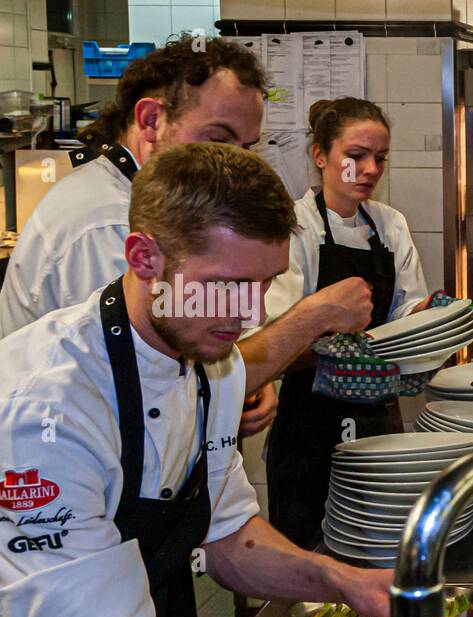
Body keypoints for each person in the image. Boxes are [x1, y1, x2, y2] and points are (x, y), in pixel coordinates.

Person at [0, 143, 468, 617]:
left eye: (265, 285)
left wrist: (339, 580)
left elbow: (226, 538)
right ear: (143, 256)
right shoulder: (48, 408)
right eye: (226, 286)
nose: (246, 315)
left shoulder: (207, 365)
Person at [0, 38, 374, 437]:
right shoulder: (105, 226)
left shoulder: (159, 202)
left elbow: (188, 369)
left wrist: (237, 382)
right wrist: (310, 318)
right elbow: (145, 387)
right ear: (150, 120)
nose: (235, 165)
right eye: (218, 140)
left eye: (247, 148)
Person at [255, 97, 430, 549]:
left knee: (376, 545)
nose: (370, 169)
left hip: (378, 419)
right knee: (306, 549)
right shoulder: (296, 225)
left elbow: (407, 317)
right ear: (320, 156)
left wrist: (431, 322)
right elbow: (272, 336)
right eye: (355, 157)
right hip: (308, 425)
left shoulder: (390, 225)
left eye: (380, 158)